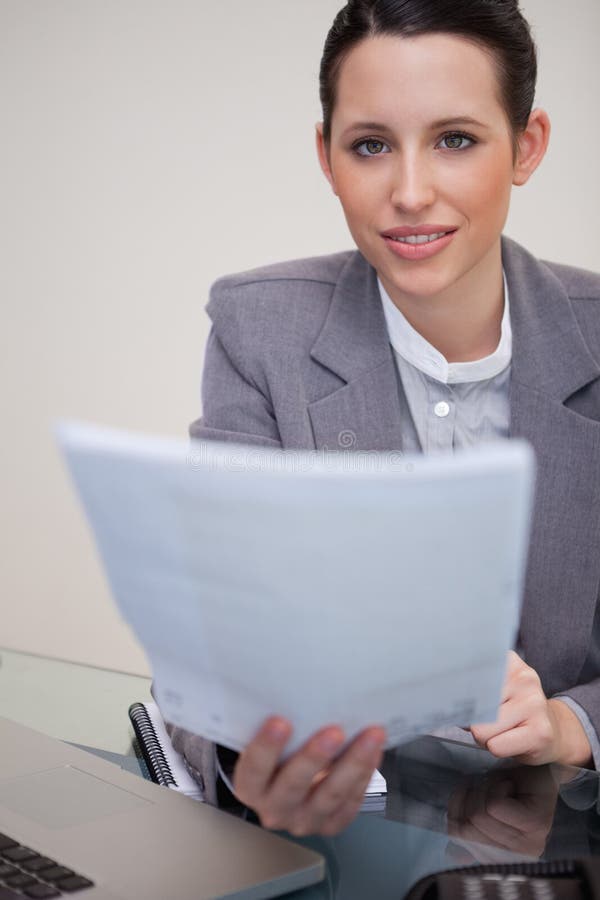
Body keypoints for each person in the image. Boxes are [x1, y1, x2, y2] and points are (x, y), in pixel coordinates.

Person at [168, 0, 600, 837]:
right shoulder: (261, 330)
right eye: (370, 145)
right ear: (326, 157)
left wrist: (571, 724)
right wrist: (249, 754)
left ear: (528, 146)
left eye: (455, 140)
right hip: (339, 839)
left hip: (555, 842)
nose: (409, 192)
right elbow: (206, 638)